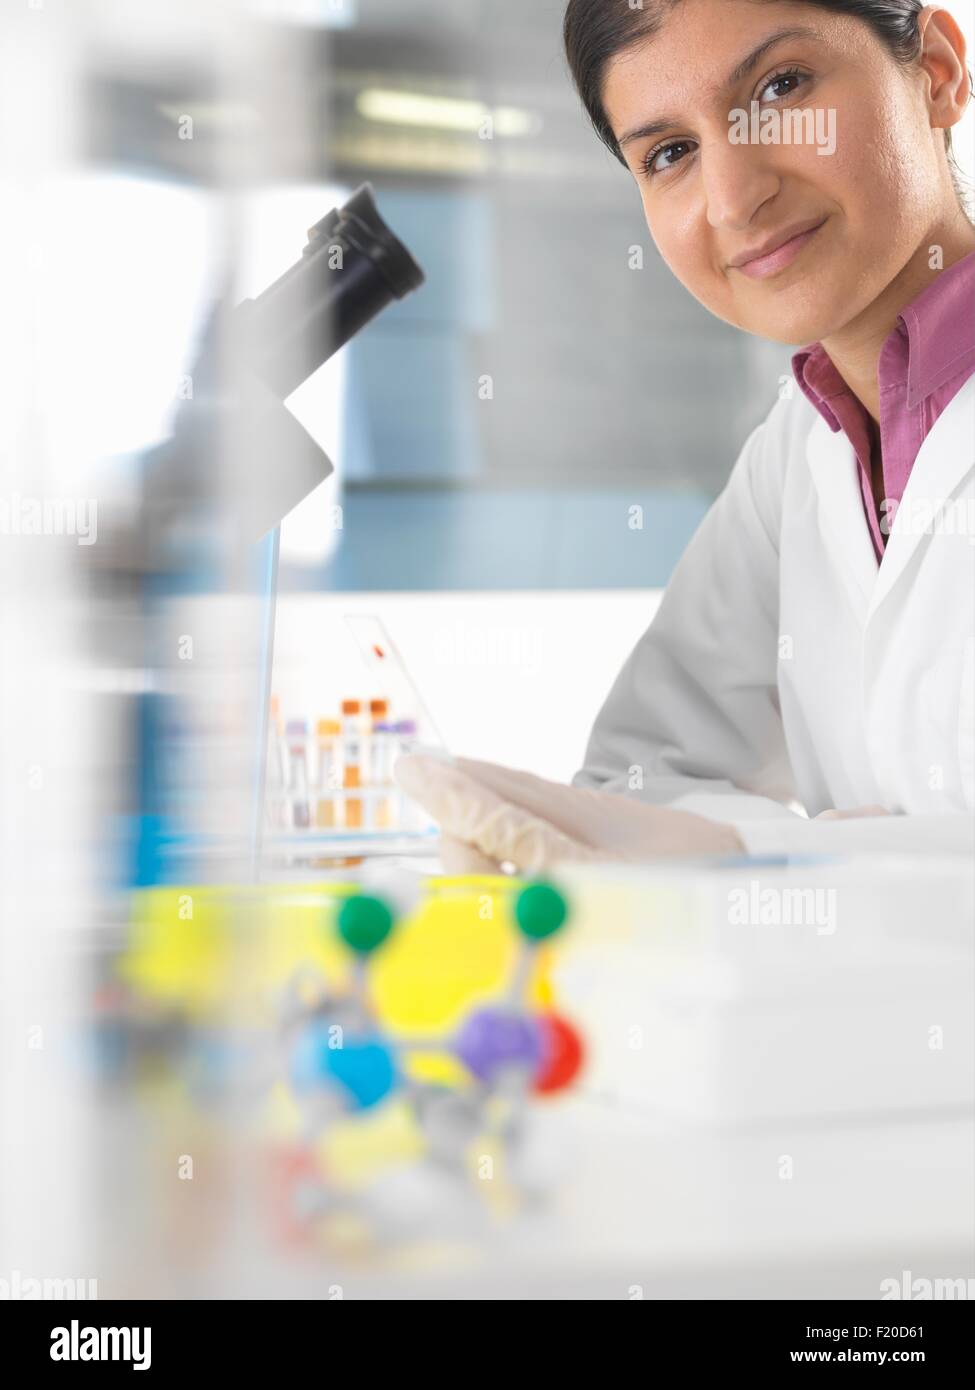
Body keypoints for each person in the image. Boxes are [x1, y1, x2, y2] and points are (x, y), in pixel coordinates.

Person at [396, 0, 975, 874]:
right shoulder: (800, 450)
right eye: (669, 153)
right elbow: (640, 777)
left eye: (781, 88)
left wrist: (769, 854)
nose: (734, 198)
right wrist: (776, 855)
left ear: (934, 71)